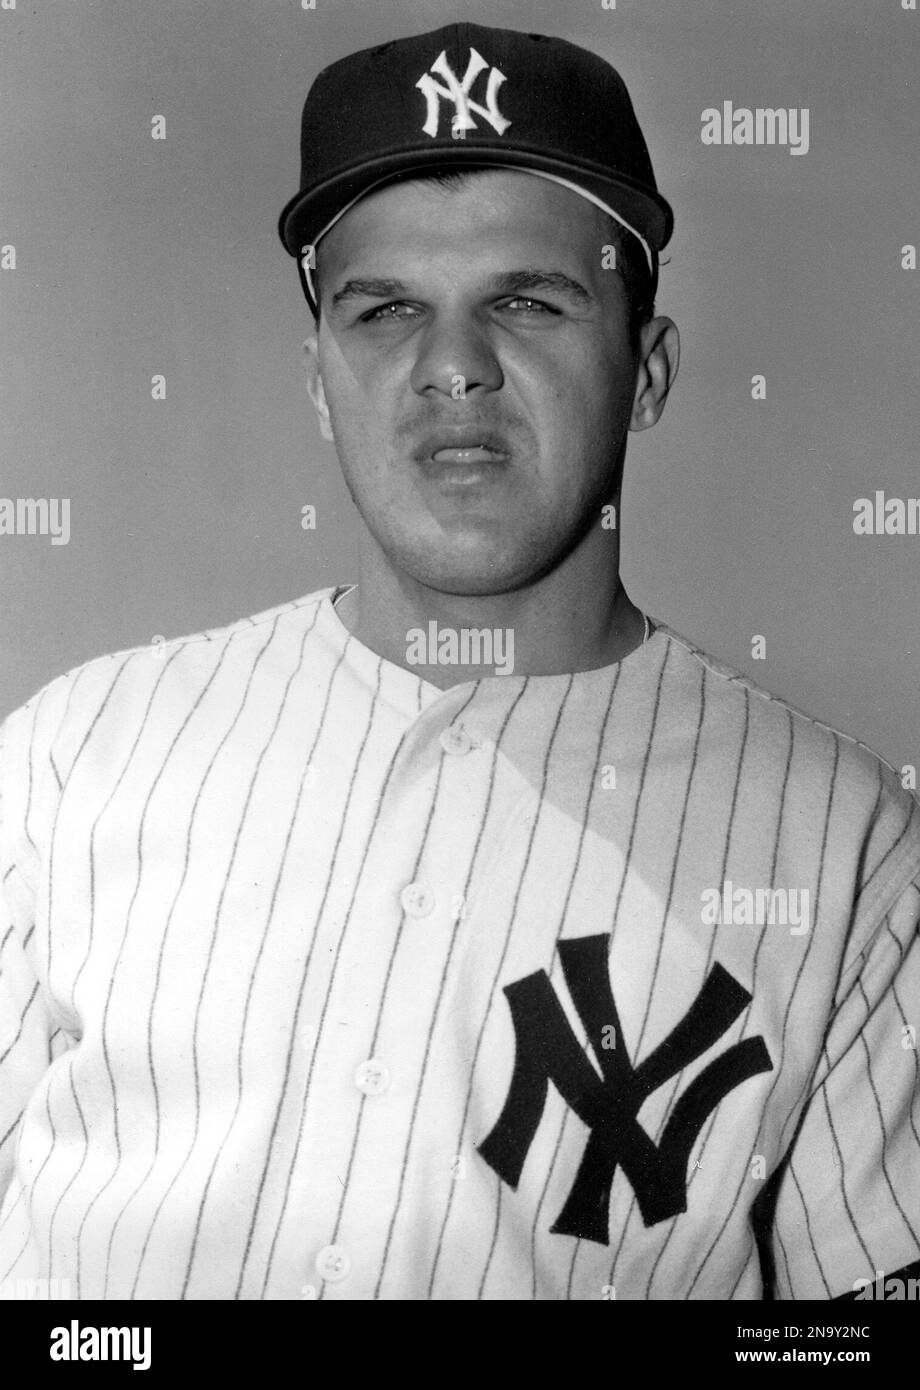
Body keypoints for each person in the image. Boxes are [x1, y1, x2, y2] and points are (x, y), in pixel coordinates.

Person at [1, 21, 918, 1302]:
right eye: (383, 312)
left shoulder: (844, 843)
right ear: (318, 380)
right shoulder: (69, 756)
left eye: (527, 303)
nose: (452, 371)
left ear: (645, 370)